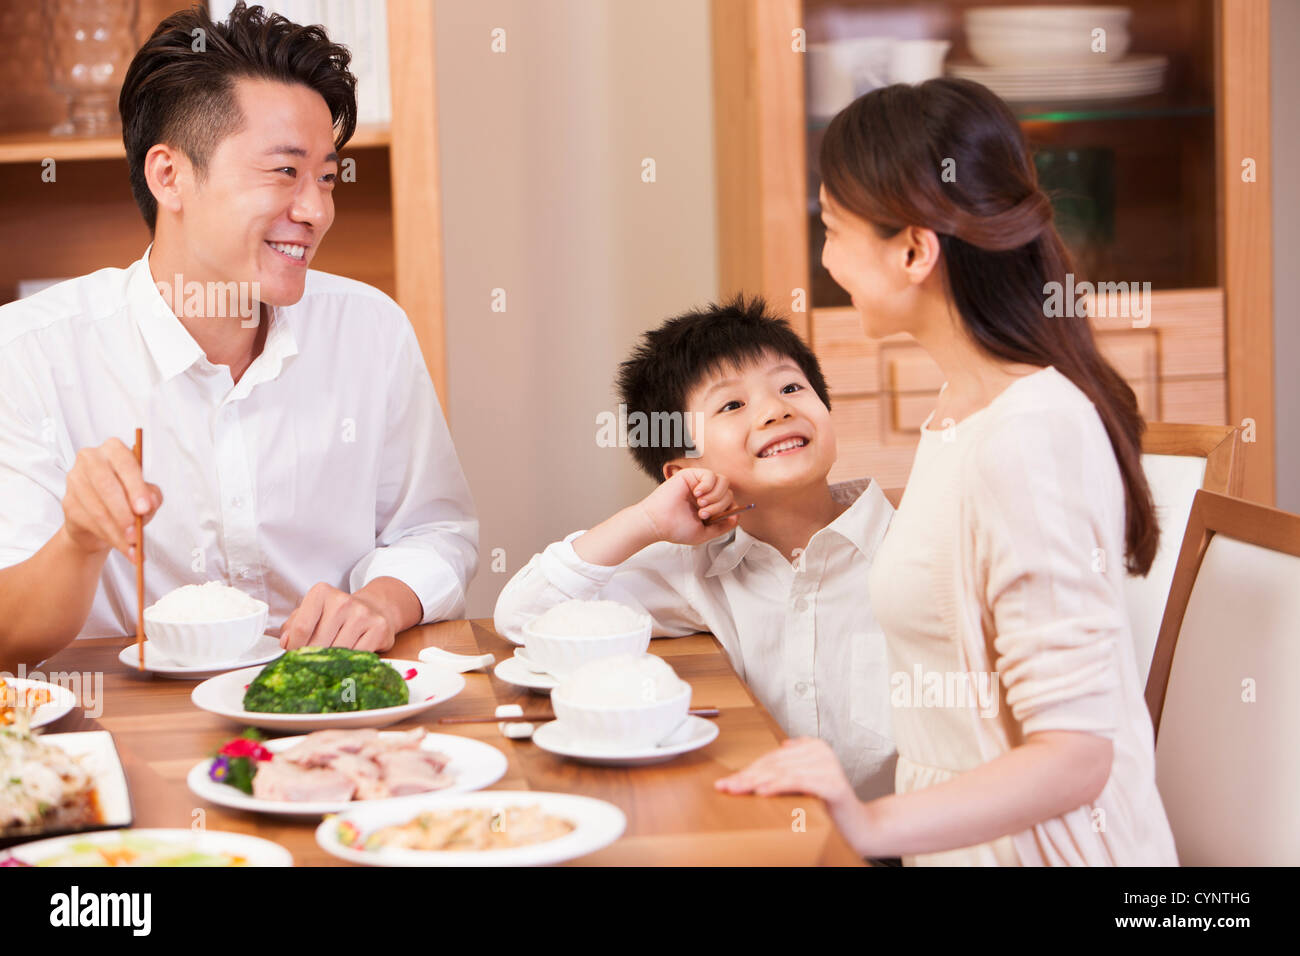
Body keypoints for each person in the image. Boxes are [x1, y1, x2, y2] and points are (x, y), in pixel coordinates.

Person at [716, 78, 1179, 866]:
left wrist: (869, 828)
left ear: (912, 249)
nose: (825, 260)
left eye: (832, 229)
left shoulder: (1030, 434)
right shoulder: (963, 409)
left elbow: (1076, 755)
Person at [0, 3, 477, 671]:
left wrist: (383, 600)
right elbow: (8, 631)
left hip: (331, 710)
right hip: (132, 737)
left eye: (326, 178)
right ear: (169, 176)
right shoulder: (28, 354)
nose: (314, 211)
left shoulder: (370, 329)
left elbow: (437, 530)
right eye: (284, 172)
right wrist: (80, 541)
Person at [494, 296, 898, 800]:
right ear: (685, 472)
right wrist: (644, 521)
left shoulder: (913, 546)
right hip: (765, 832)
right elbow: (524, 617)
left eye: (792, 386)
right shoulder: (693, 571)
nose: (777, 409)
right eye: (732, 405)